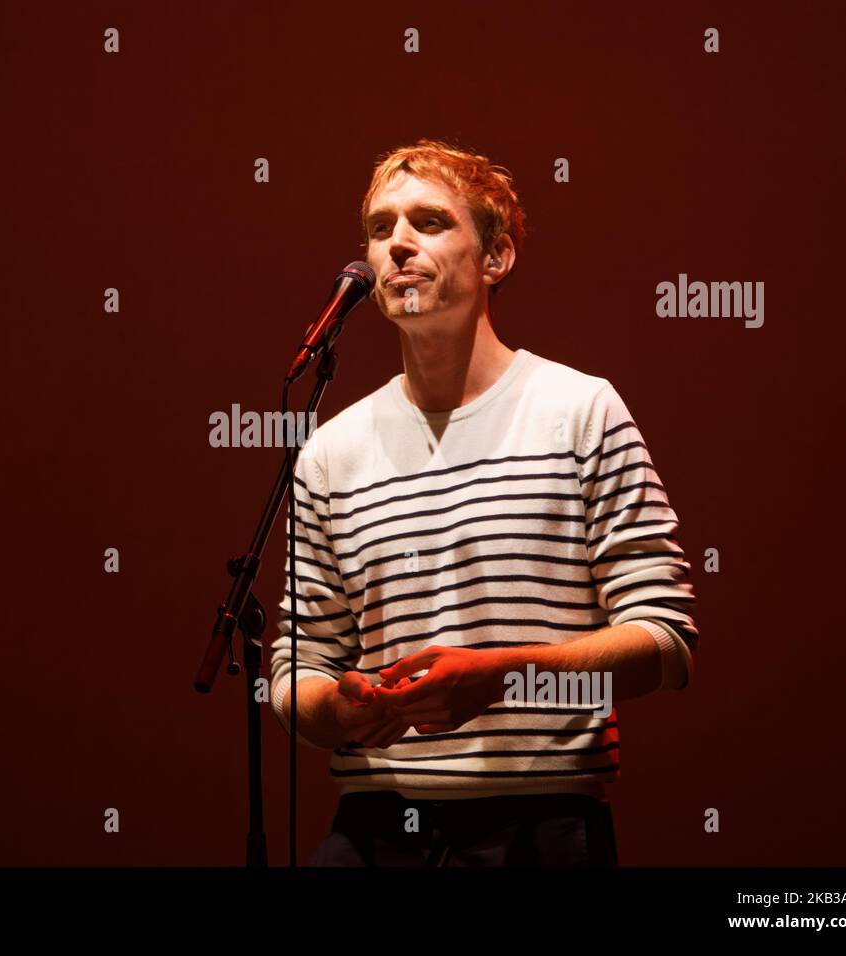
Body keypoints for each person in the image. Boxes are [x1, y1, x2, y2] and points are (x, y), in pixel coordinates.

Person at [269, 139, 699, 866]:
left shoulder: (581, 410)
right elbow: (297, 668)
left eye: (430, 222)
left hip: (539, 831)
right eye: (380, 229)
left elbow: (663, 643)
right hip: (374, 829)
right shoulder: (330, 452)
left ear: (495, 258)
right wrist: (338, 710)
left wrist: (501, 676)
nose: (398, 243)